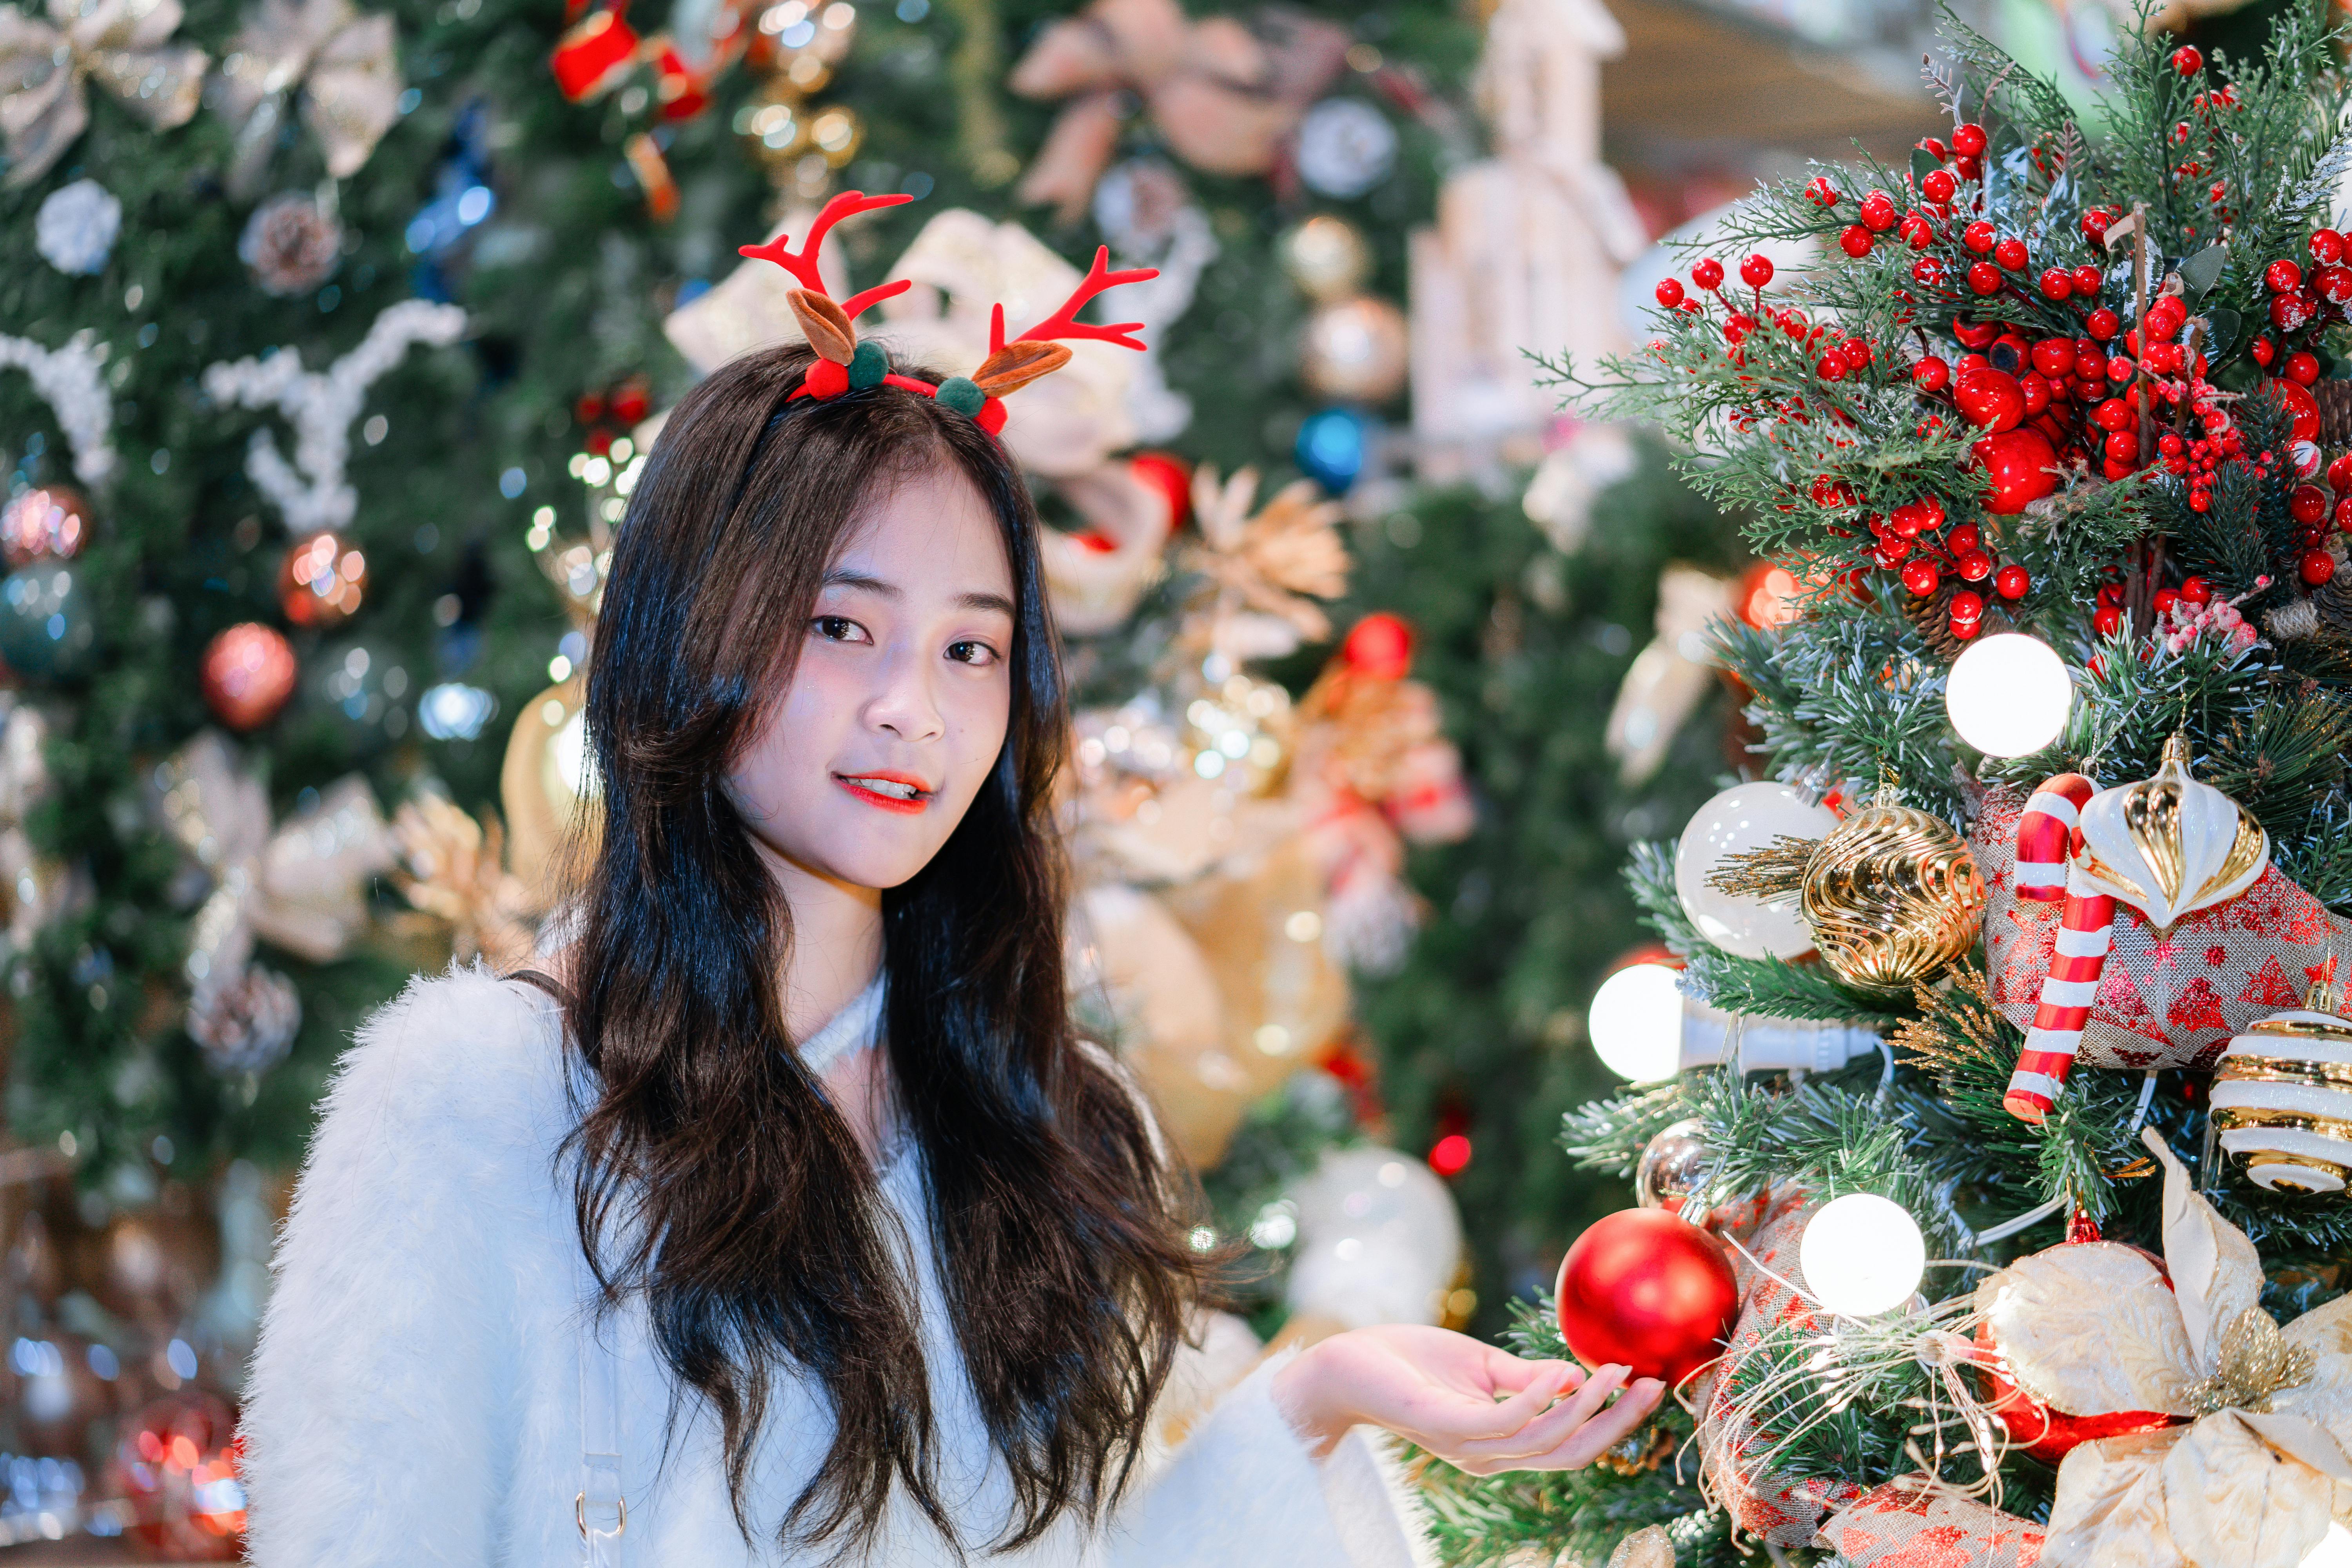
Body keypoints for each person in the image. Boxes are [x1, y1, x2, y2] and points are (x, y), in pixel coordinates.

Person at [238, 225, 1664, 1566]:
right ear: (692, 635)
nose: (914, 710)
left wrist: (1320, 1399)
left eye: (971, 651)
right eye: (842, 628)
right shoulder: (482, 1098)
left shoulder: (1053, 1110)